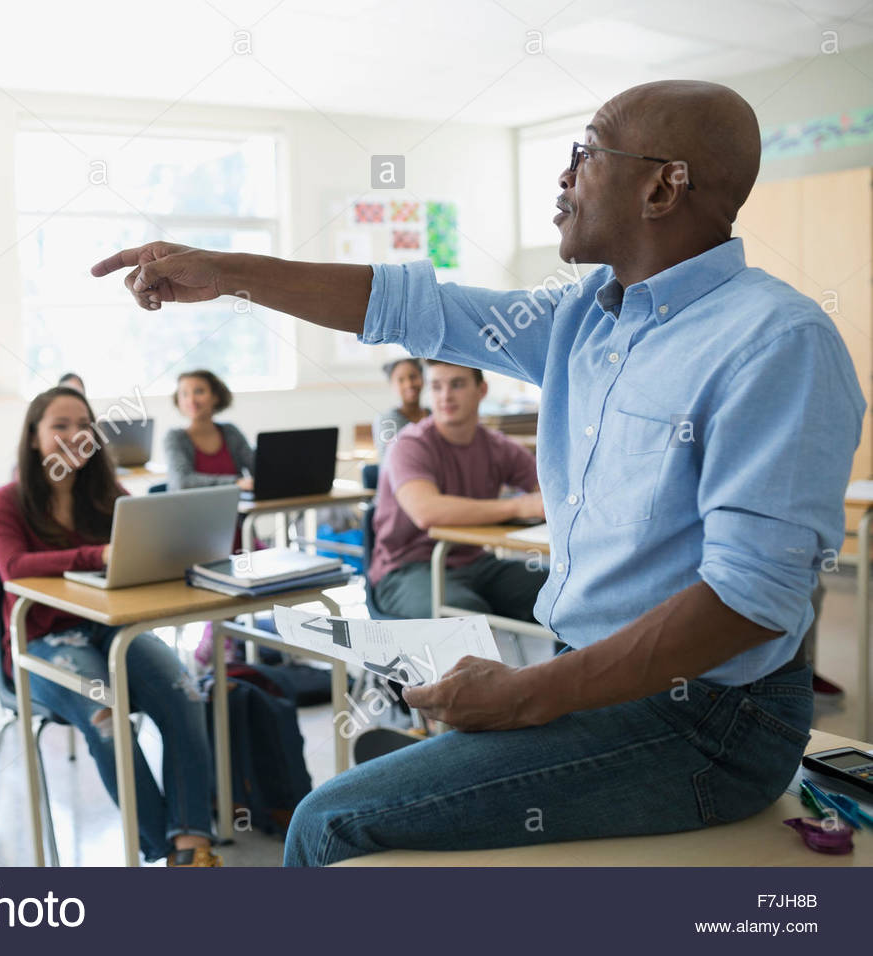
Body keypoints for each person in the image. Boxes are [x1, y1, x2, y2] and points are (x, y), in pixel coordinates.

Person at [92, 80, 863, 865]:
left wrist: (527, 695)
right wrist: (226, 272)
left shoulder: (777, 341)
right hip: (601, 680)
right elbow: (405, 307)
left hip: (711, 723)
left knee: (327, 825)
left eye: (585, 155)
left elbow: (750, 602)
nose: (564, 179)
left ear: (664, 185)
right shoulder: (582, 319)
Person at [0, 386, 221, 867]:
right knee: (107, 717)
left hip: (114, 632)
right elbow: (14, 566)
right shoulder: (4, 503)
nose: (75, 436)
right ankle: (162, 850)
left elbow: (144, 546)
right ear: (33, 438)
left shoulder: (108, 496)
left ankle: (190, 845)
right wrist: (97, 554)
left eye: (83, 425)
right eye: (60, 426)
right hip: (42, 644)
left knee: (185, 694)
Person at [370, 360, 546, 622]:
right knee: (465, 614)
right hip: (407, 569)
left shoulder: (496, 446)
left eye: (457, 384)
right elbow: (426, 512)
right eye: (436, 387)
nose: (445, 396)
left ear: (482, 390)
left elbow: (550, 489)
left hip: (475, 561)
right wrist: (519, 506)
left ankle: (565, 663)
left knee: (563, 591)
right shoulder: (409, 445)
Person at [162, 370, 254, 492]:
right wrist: (235, 482)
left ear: (215, 396)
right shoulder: (175, 437)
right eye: (184, 394)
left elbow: (257, 467)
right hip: (190, 509)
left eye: (199, 392)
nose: (191, 400)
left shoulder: (230, 431)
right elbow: (183, 482)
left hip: (234, 508)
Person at [372, 357, 425, 464]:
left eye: (413, 377)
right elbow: (393, 461)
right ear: (392, 384)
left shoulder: (435, 415)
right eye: (401, 380)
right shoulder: (386, 421)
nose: (409, 384)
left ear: (422, 378)